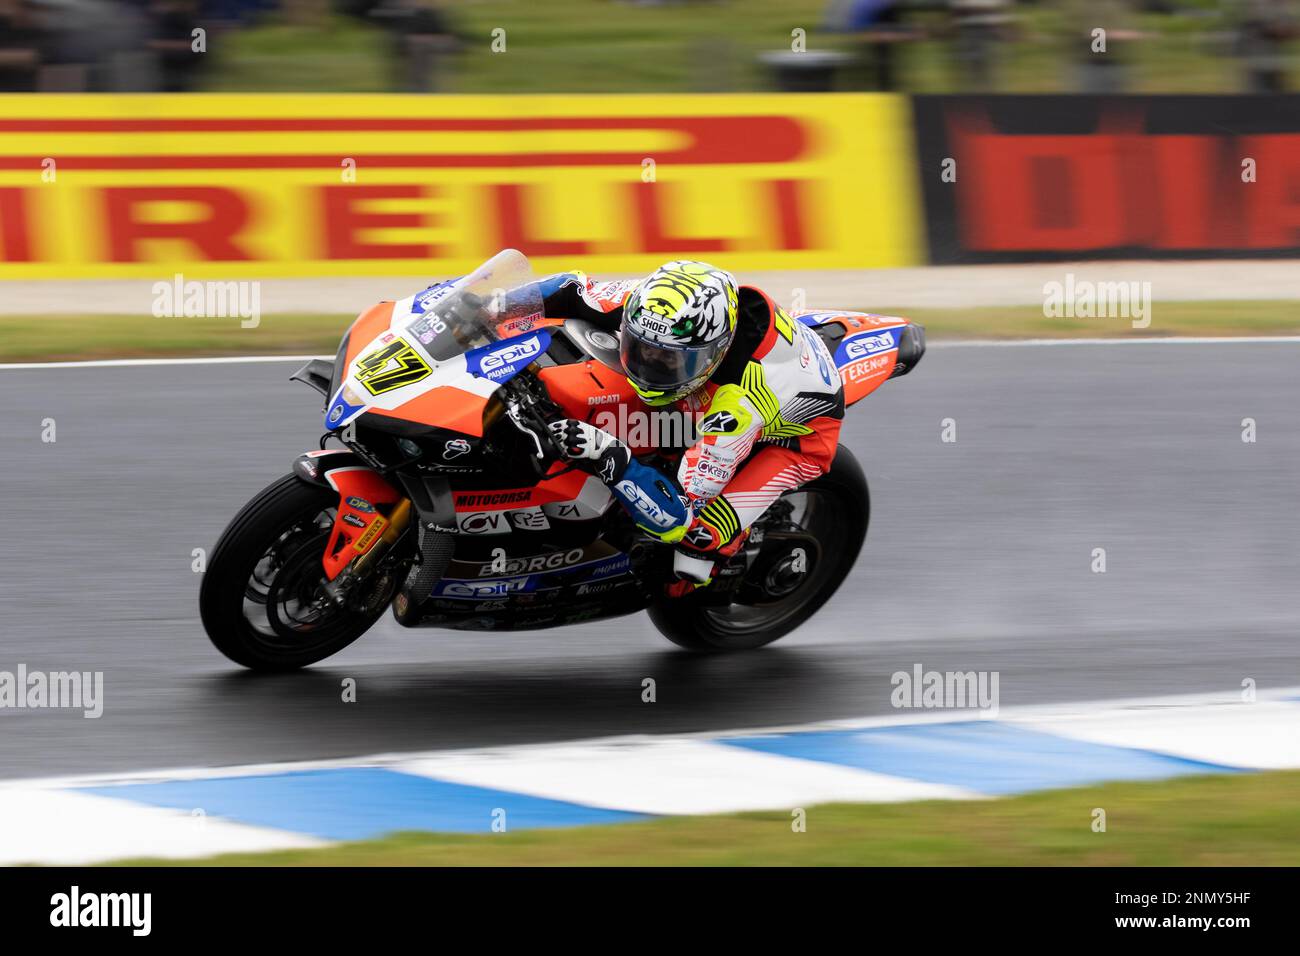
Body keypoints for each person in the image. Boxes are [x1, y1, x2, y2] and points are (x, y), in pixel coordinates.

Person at [539, 261, 845, 596]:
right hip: (741, 373)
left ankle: (726, 559)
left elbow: (677, 517)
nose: (649, 366)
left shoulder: (735, 413)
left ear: (714, 354)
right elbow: (569, 287)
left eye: (669, 360)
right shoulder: (653, 310)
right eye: (641, 348)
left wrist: (607, 453)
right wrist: (495, 304)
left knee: (695, 542)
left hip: (798, 442)